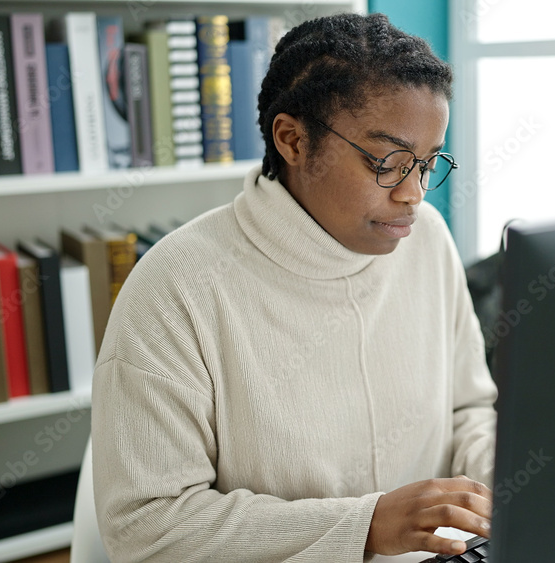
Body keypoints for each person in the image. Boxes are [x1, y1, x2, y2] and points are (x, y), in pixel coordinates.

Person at [91, 12, 497, 562]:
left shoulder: (428, 242)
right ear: (293, 140)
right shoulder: (174, 288)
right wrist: (366, 526)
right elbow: (147, 529)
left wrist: (514, 484)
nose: (415, 194)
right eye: (391, 162)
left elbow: (467, 408)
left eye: (428, 162)